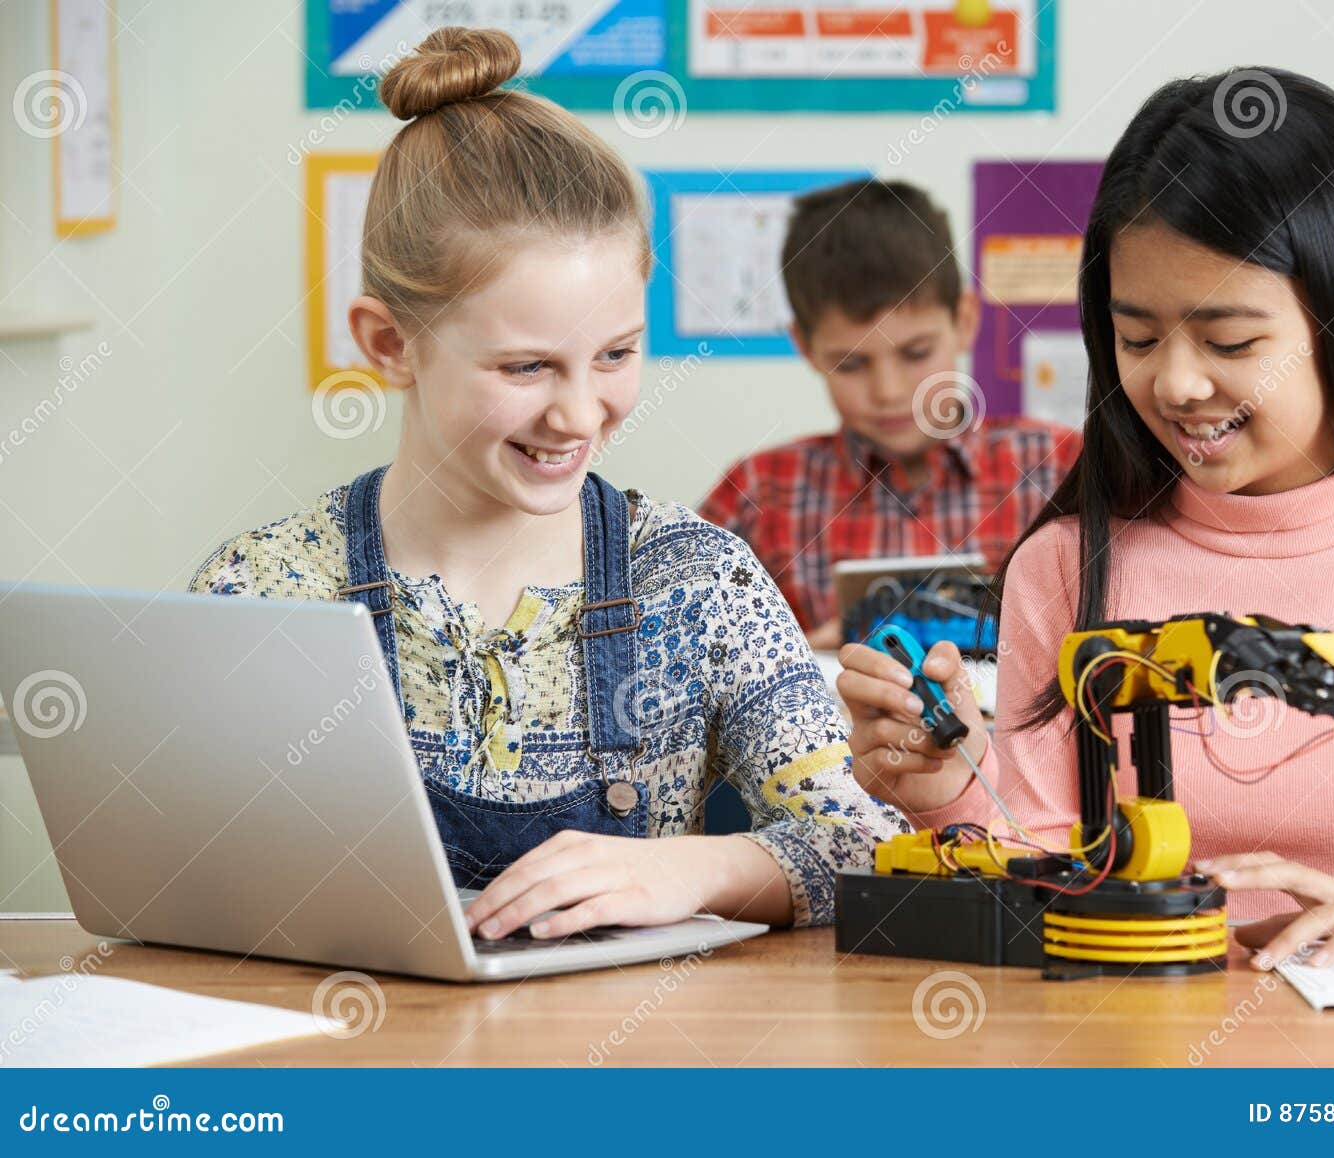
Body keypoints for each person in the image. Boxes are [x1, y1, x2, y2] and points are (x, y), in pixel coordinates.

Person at [838, 68, 1334, 968]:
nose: (1176, 385)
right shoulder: (1071, 560)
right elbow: (1049, 885)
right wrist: (950, 795)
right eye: (1137, 338)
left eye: (1232, 342)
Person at [192, 27, 905, 942]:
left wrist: (695, 867)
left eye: (615, 355)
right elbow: (180, 879)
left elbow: (870, 847)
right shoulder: (260, 592)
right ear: (388, 345)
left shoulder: (696, 581)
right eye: (527, 367)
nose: (578, 415)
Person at [699, 178, 1082, 649]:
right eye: (853, 363)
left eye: (916, 352)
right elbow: (685, 678)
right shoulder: (756, 495)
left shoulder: (1060, 467)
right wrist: (795, 668)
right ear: (805, 347)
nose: (890, 391)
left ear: (963, 321)